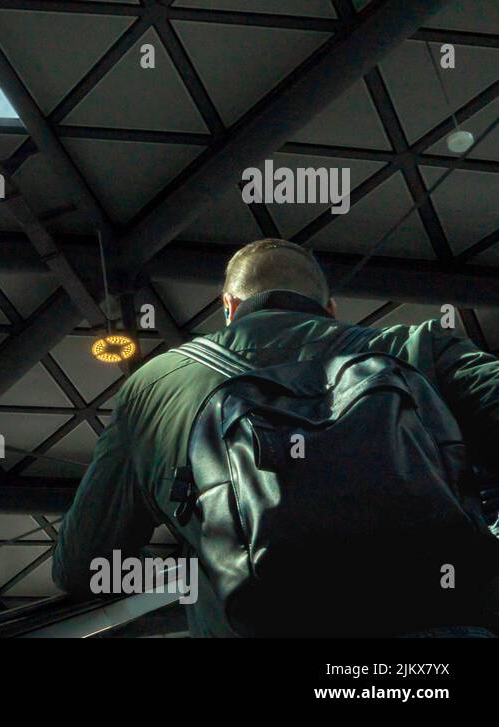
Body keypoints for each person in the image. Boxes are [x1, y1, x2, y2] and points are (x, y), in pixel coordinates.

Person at [52, 238, 499, 636]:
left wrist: (195, 565)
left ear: (228, 307)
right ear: (330, 309)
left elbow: (82, 564)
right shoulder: (420, 348)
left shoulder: (155, 386)